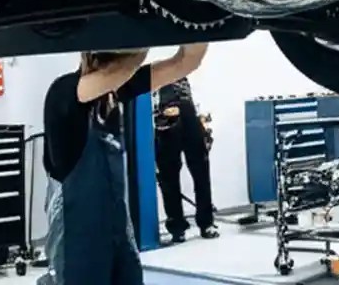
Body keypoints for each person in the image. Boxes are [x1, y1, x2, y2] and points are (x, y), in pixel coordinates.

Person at [42, 44, 208, 285]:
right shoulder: (64, 91)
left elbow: (185, 62)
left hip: (117, 230)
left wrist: (201, 26)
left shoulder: (118, 90)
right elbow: (116, 73)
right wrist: (143, 37)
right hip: (76, 239)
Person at [153, 77, 217, 243]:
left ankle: (206, 223)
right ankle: (177, 227)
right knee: (169, 178)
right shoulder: (155, 76)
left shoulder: (187, 74)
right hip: (165, 122)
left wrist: (203, 122)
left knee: (201, 174)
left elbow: (200, 105)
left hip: (189, 116)